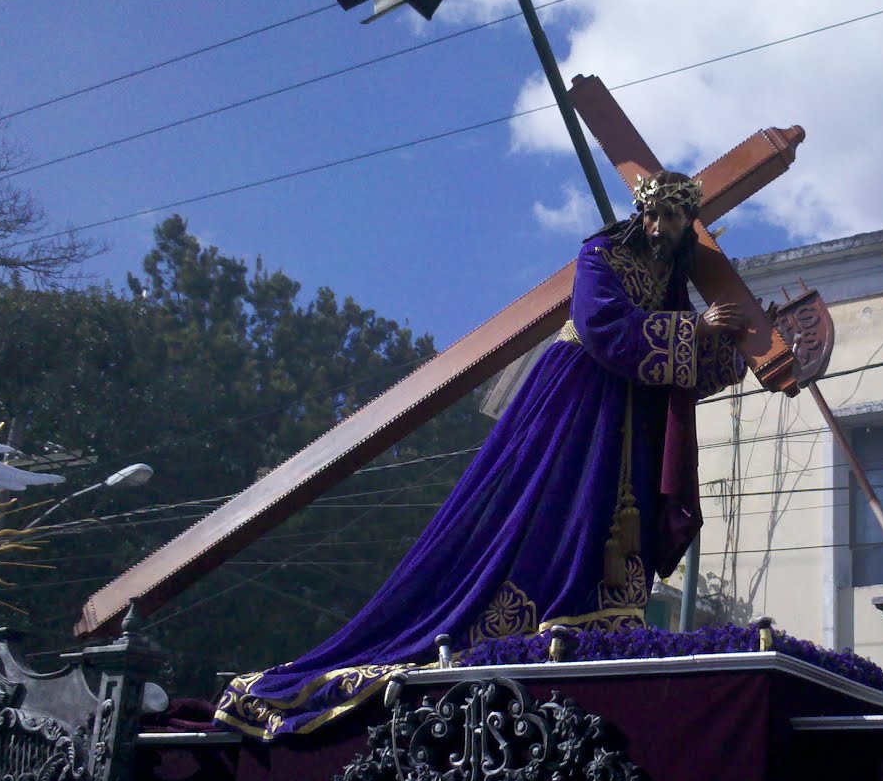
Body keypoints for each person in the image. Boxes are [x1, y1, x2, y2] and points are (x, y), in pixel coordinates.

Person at [217, 172, 747, 739]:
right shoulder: (599, 255)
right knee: (553, 502)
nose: (659, 227)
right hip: (576, 397)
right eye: (653, 215)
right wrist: (693, 327)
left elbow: (686, 359)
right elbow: (604, 327)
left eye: (671, 219)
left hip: (628, 412)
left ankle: (600, 612)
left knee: (617, 515)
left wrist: (735, 346)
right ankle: (541, 614)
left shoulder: (672, 277)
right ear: (640, 213)